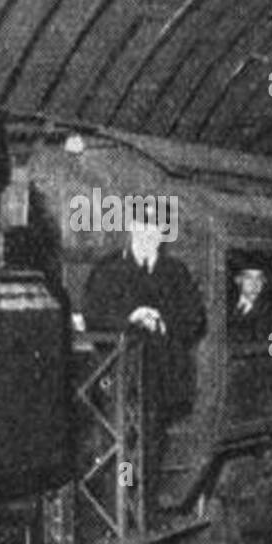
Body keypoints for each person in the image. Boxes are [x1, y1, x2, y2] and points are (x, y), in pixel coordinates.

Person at [83, 209, 206, 518]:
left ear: (163, 234)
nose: (149, 233)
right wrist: (131, 319)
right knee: (120, 448)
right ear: (132, 229)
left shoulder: (175, 272)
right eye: (143, 226)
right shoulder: (109, 270)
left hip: (161, 380)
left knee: (151, 447)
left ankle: (143, 511)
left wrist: (164, 320)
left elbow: (195, 319)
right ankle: (121, 510)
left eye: (156, 228)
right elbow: (93, 315)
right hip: (119, 379)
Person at [228, 266, 272, 345]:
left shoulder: (271, 311)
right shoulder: (227, 306)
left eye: (259, 279)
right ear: (238, 280)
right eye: (248, 278)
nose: (254, 284)